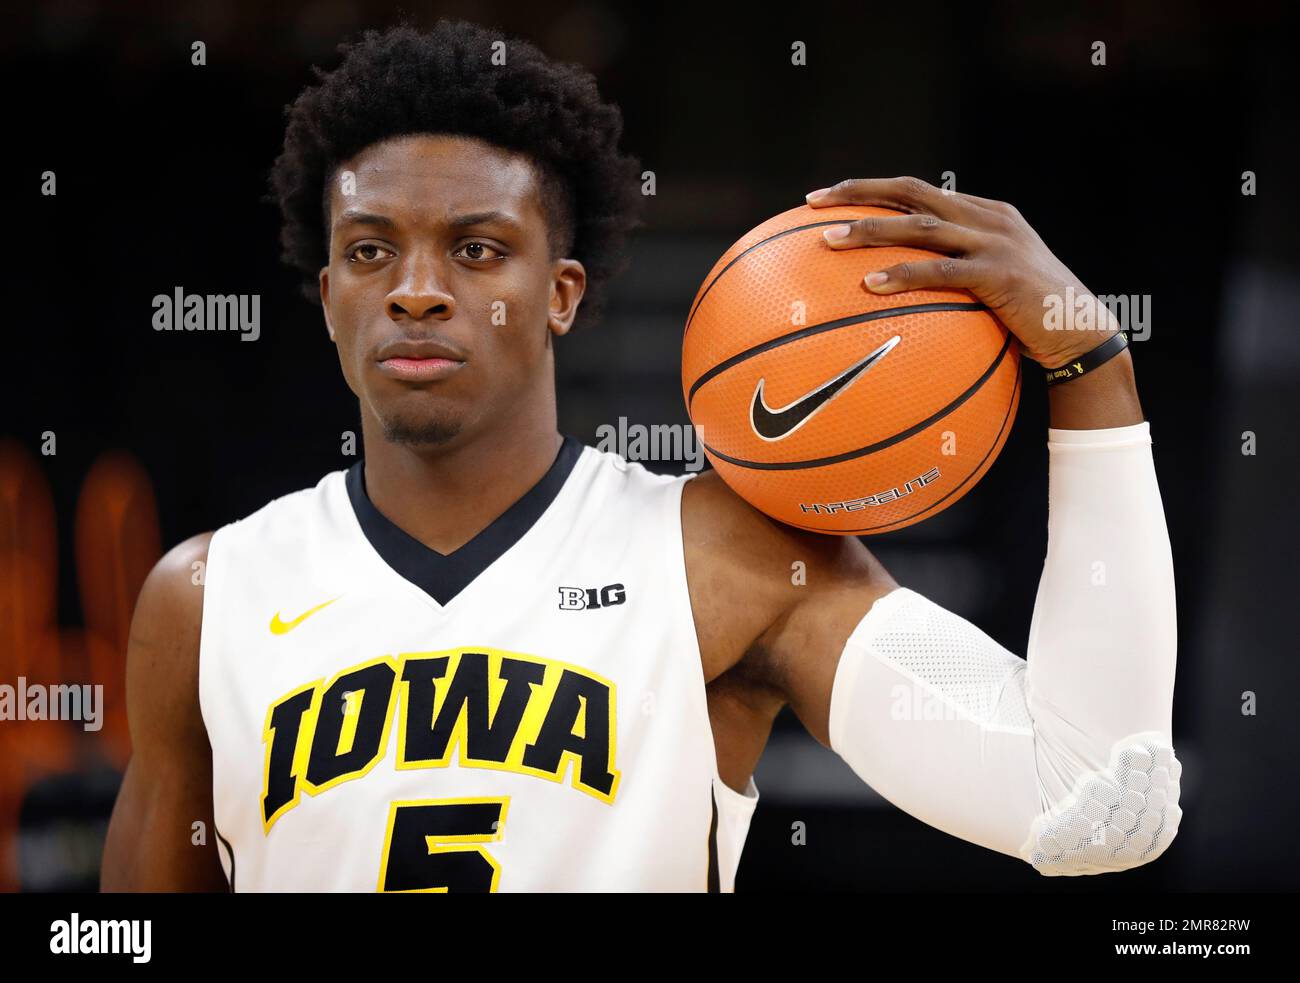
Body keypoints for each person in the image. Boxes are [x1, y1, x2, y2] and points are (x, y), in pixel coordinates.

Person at [101, 20, 1180, 892]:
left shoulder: (729, 560)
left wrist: (1091, 364)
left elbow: (1085, 798)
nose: (416, 288)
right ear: (328, 292)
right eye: (369, 250)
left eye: (478, 249)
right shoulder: (205, 596)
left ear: (561, 293)